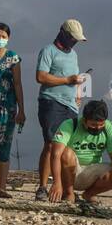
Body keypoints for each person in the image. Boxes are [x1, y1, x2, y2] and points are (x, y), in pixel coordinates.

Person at [35, 18, 89, 200]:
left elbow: (74, 78)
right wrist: (67, 81)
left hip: (71, 105)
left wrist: (78, 93)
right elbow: (41, 77)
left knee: (67, 148)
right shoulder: (48, 51)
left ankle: (67, 189)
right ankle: (43, 186)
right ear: (63, 33)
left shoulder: (73, 55)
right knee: (51, 144)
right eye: (73, 38)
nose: (75, 42)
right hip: (51, 102)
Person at [47, 99, 112, 203]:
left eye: (101, 125)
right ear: (84, 121)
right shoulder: (70, 125)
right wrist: (56, 183)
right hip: (69, 172)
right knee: (66, 153)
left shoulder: (109, 127)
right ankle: (69, 193)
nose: (97, 128)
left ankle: (89, 194)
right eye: (93, 125)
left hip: (92, 172)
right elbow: (55, 154)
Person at [0, 22, 25, 197]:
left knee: (4, 146)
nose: (0, 39)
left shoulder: (12, 57)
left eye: (3, 36)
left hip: (7, 108)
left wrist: (22, 109)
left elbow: (17, 83)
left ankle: (3, 186)